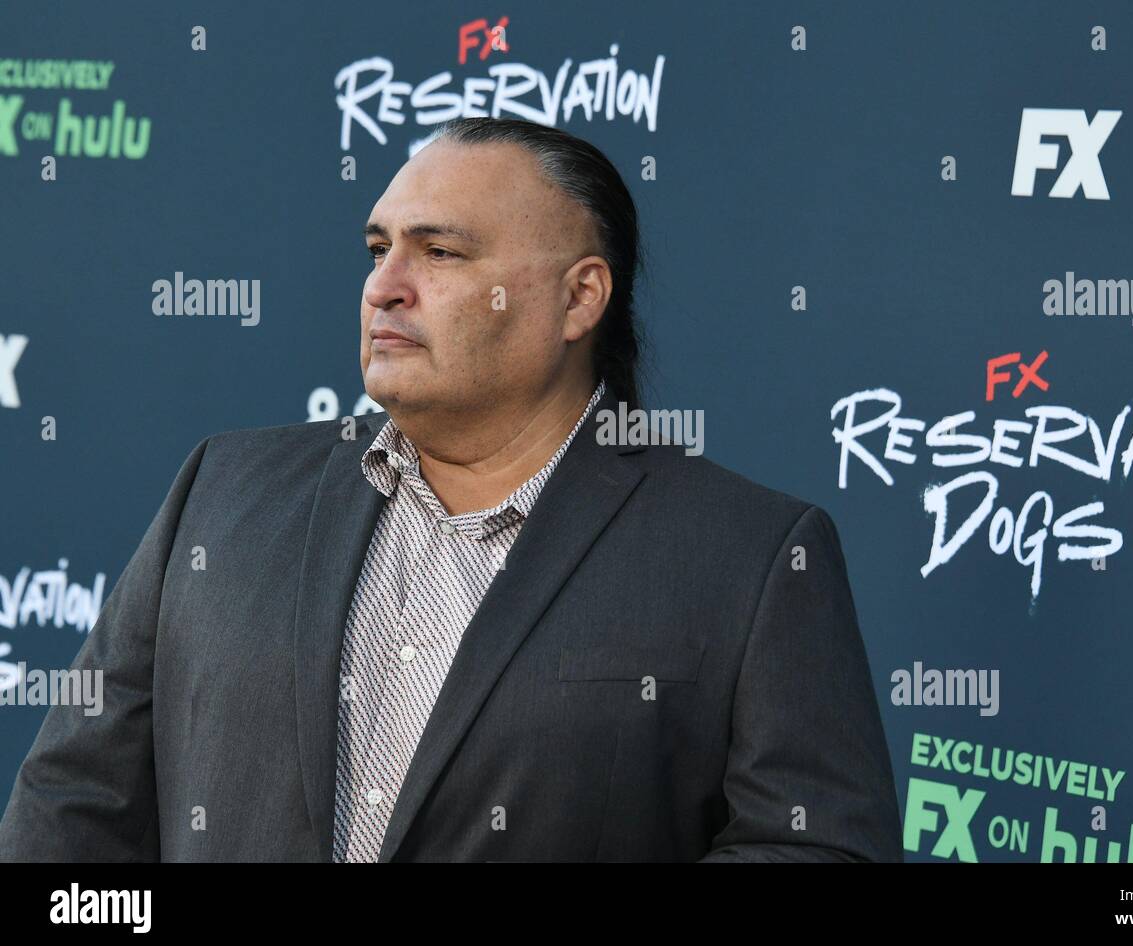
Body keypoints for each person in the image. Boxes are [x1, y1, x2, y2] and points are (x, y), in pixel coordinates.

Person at [0, 117, 901, 862]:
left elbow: (817, 850)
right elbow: (71, 807)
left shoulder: (749, 555)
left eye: (442, 252)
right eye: (378, 246)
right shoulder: (221, 492)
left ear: (578, 300)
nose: (384, 287)